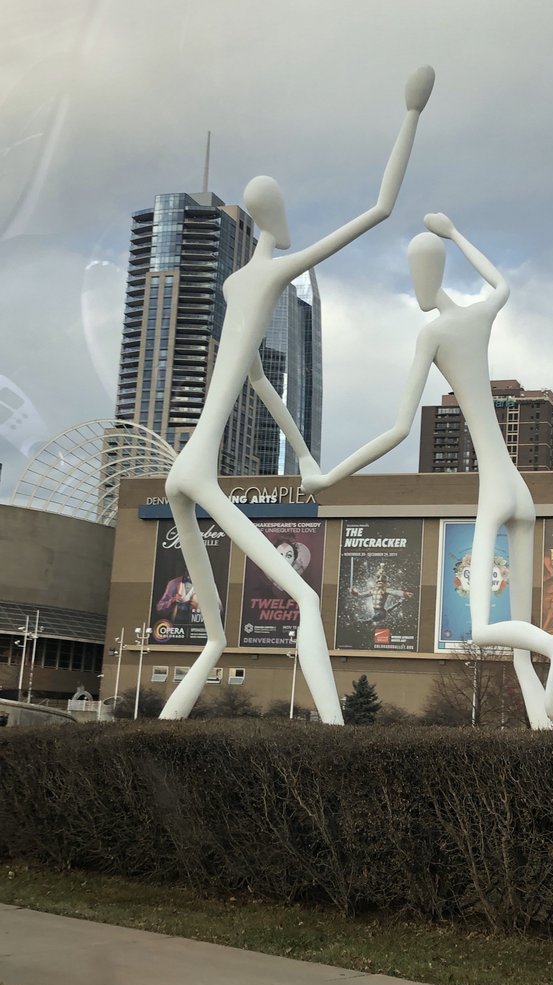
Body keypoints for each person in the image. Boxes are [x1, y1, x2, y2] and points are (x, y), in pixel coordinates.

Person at [159, 67, 435, 724]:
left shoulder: (234, 289)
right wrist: (412, 114)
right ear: (272, 218)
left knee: (216, 635)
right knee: (307, 602)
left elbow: (257, 380)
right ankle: (334, 738)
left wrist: (304, 453)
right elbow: (380, 209)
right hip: (198, 475)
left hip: (181, 470)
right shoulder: (275, 273)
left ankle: (158, 738)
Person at [302, 214, 553, 727]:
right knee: (515, 641)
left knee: (483, 629)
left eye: (417, 275)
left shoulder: (432, 334)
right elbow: (502, 284)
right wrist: (454, 233)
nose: (416, 287)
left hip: (495, 491)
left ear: (424, 278)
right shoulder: (479, 315)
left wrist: (329, 477)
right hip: (521, 489)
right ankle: (544, 727)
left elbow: (398, 429)